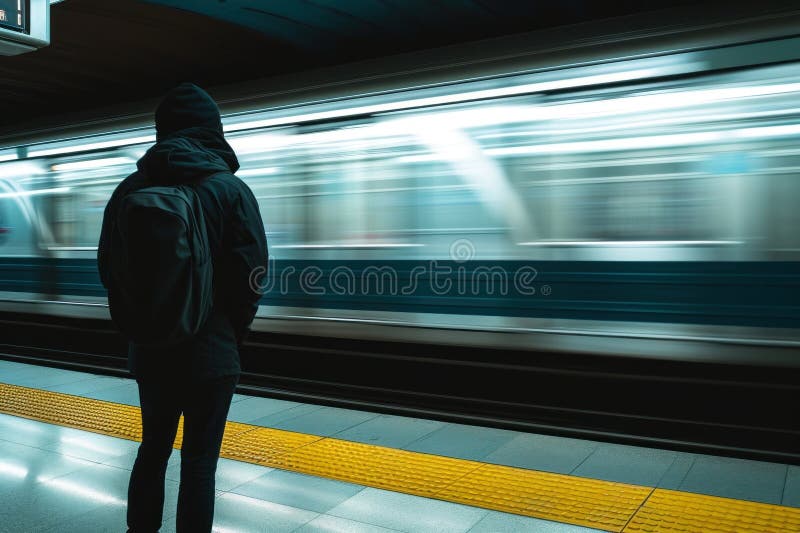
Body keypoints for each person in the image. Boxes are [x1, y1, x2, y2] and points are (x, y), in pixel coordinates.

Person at [97, 82, 268, 532]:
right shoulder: (231, 190)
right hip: (212, 354)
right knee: (198, 464)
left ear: (163, 130)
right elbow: (253, 274)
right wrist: (231, 331)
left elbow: (109, 269)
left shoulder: (129, 189)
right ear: (213, 130)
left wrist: (140, 324)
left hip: (151, 350)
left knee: (152, 451)